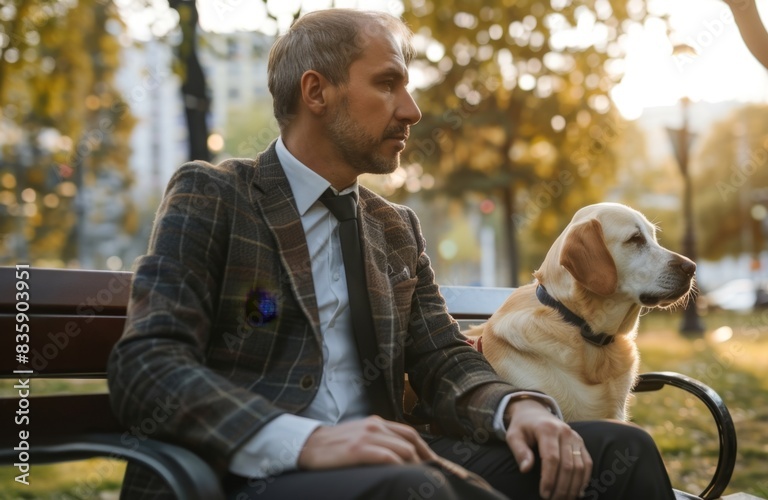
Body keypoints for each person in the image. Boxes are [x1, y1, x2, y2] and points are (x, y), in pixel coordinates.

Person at [107, 9, 675, 500]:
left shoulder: (395, 227)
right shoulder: (214, 196)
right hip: (252, 475)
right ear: (316, 92)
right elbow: (147, 367)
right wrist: (307, 440)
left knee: (619, 451)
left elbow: (443, 359)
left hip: (397, 464)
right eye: (388, 84)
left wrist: (517, 409)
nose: (412, 110)